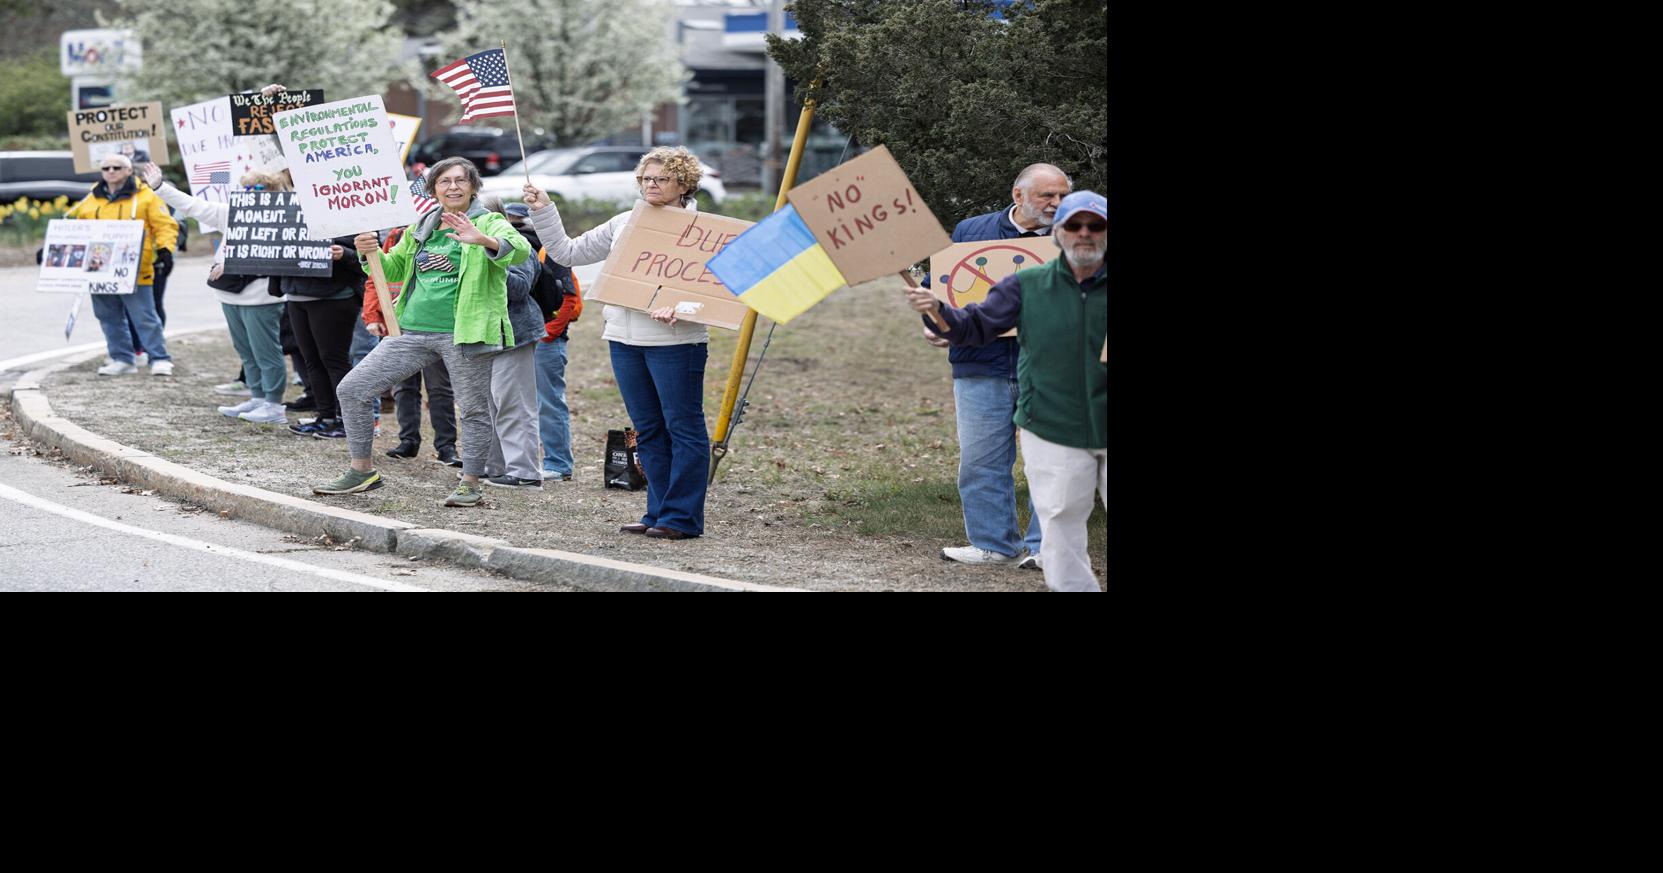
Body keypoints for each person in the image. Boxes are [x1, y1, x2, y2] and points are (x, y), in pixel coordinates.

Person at [906, 191, 1107, 593]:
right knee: (1060, 516)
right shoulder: (1026, 283)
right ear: (1059, 235)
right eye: (1074, 225)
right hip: (1052, 420)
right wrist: (939, 312)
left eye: (1096, 225)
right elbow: (976, 323)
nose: (1084, 234)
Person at [314, 157, 531, 507]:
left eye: (461, 180)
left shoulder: (489, 221)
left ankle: (471, 481)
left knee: (473, 408)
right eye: (444, 182)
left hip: (466, 333)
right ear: (433, 190)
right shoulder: (424, 225)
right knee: (352, 389)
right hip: (412, 331)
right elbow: (392, 268)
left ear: (473, 186)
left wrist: (483, 240)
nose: (453, 187)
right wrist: (368, 251)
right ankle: (362, 471)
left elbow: (519, 251)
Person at [523, 146, 709, 540]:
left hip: (676, 342)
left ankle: (682, 518)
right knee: (648, 429)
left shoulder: (702, 230)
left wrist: (682, 305)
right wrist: (544, 210)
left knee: (683, 427)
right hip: (624, 339)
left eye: (660, 179)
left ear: (684, 184)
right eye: (645, 179)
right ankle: (657, 511)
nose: (650, 185)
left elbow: (716, 289)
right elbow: (567, 252)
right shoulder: (624, 221)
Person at [924, 163, 1072, 570]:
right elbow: (937, 288)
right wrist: (935, 327)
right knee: (980, 459)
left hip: (1049, 368)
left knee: (1052, 460)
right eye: (1047, 196)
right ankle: (993, 545)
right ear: (1018, 195)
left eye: (1062, 195)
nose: (1057, 204)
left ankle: (1048, 549)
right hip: (980, 366)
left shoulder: (1078, 236)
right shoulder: (970, 232)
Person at [140, 161, 289, 424]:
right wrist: (160, 187)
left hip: (261, 297)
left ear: (272, 191)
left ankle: (274, 404)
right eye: (246, 188)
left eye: (258, 188)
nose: (250, 193)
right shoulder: (232, 212)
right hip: (230, 294)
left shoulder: (284, 216)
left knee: (266, 351)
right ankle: (256, 396)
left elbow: (277, 255)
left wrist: (231, 264)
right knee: (246, 351)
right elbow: (194, 206)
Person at [65, 153, 177, 377]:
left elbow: (165, 225)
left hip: (134, 268)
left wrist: (166, 249)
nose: (111, 171)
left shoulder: (146, 196)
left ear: (129, 171)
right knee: (108, 316)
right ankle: (122, 358)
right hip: (99, 269)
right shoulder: (92, 198)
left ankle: (159, 358)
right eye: (106, 168)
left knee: (145, 316)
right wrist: (55, 250)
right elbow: (75, 227)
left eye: (117, 167)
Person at [362, 226, 461, 466]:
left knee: (439, 387)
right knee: (404, 386)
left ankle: (446, 446)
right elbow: (377, 275)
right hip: (399, 321)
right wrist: (373, 315)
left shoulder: (445, 232)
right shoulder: (398, 235)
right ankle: (408, 440)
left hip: (435, 322)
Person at [473, 195, 549, 489]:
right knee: (486, 404)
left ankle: (525, 472)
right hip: (481, 334)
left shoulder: (518, 245)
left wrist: (489, 256)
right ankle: (493, 466)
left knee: (513, 403)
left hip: (515, 334)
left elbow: (518, 290)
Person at [504, 201, 581, 482]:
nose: (513, 225)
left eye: (516, 221)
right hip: (524, 337)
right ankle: (522, 461)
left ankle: (559, 463)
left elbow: (570, 300)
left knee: (549, 402)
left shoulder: (552, 253)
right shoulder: (513, 249)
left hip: (547, 339)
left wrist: (547, 333)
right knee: (521, 402)